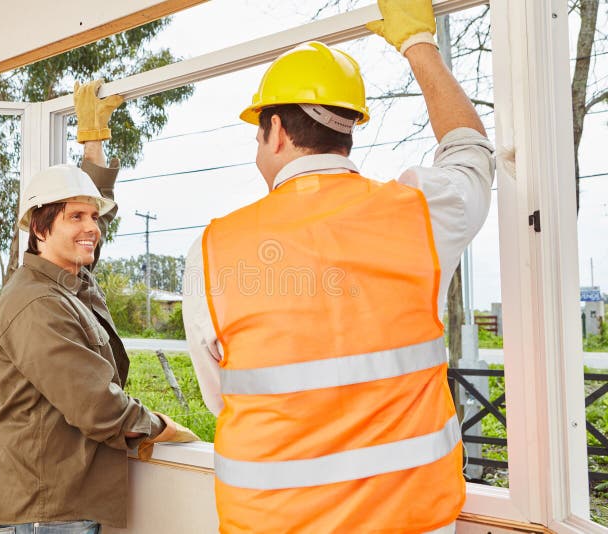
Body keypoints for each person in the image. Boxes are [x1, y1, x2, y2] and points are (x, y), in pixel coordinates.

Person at [182, 1, 494, 532]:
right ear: (348, 130)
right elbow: (470, 153)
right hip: (412, 519)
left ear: (275, 131)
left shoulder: (213, 248)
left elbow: (222, 394)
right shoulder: (421, 213)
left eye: (257, 135)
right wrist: (419, 44)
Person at [0, 80, 197, 534]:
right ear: (40, 230)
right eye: (76, 217)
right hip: (50, 516)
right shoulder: (38, 304)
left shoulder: (66, 281)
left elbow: (85, 237)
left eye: (94, 217)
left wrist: (93, 142)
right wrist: (161, 425)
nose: (92, 229)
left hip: (69, 508)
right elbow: (97, 407)